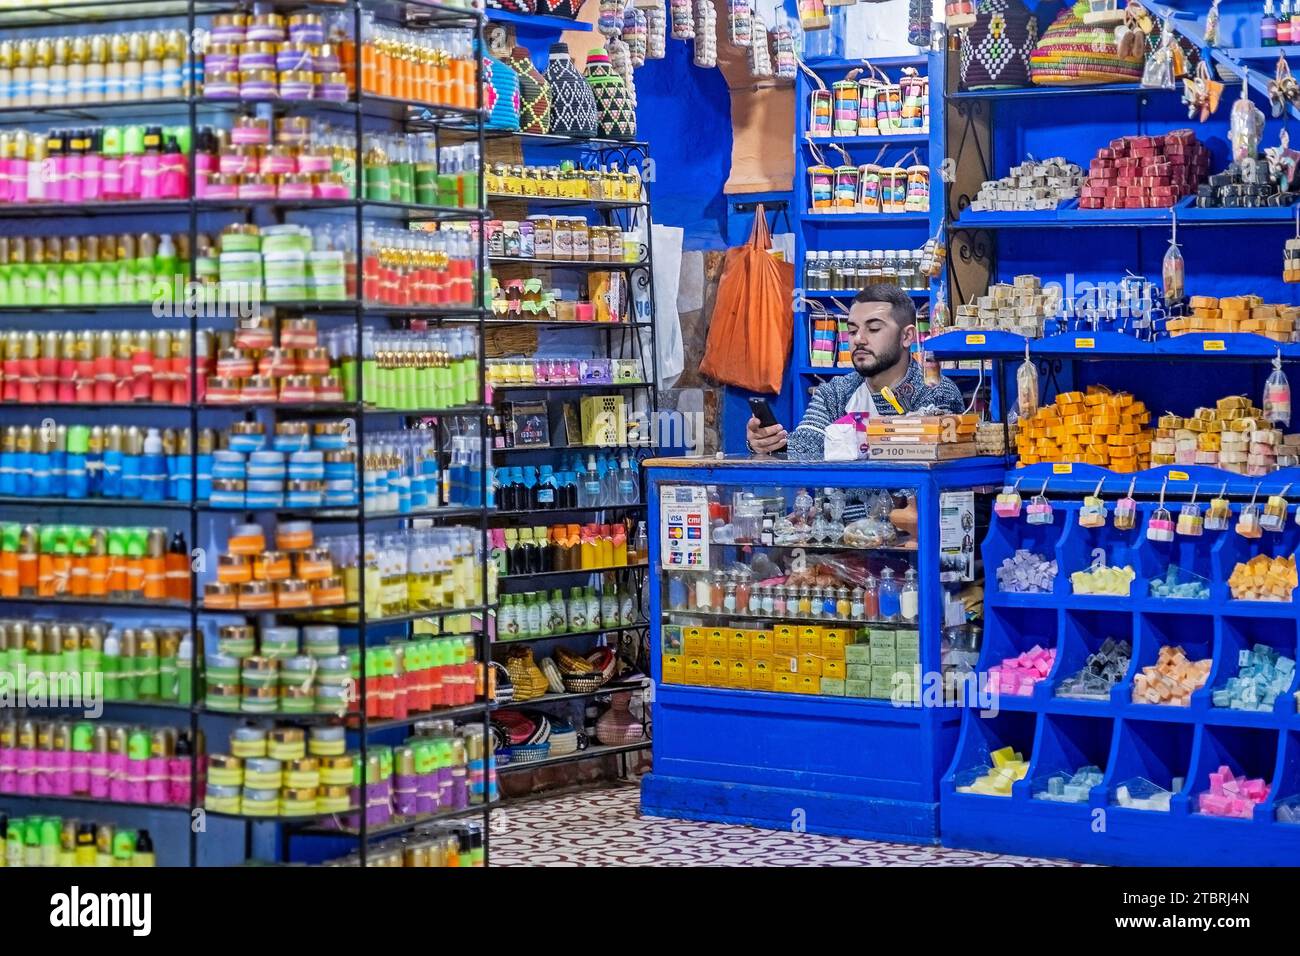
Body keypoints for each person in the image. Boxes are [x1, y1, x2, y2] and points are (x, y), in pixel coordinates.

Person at [747, 284, 964, 460]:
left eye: (874, 328)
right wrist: (769, 444)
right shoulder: (835, 393)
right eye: (852, 330)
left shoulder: (936, 391)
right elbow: (808, 448)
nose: (858, 339)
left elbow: (919, 481)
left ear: (907, 337)